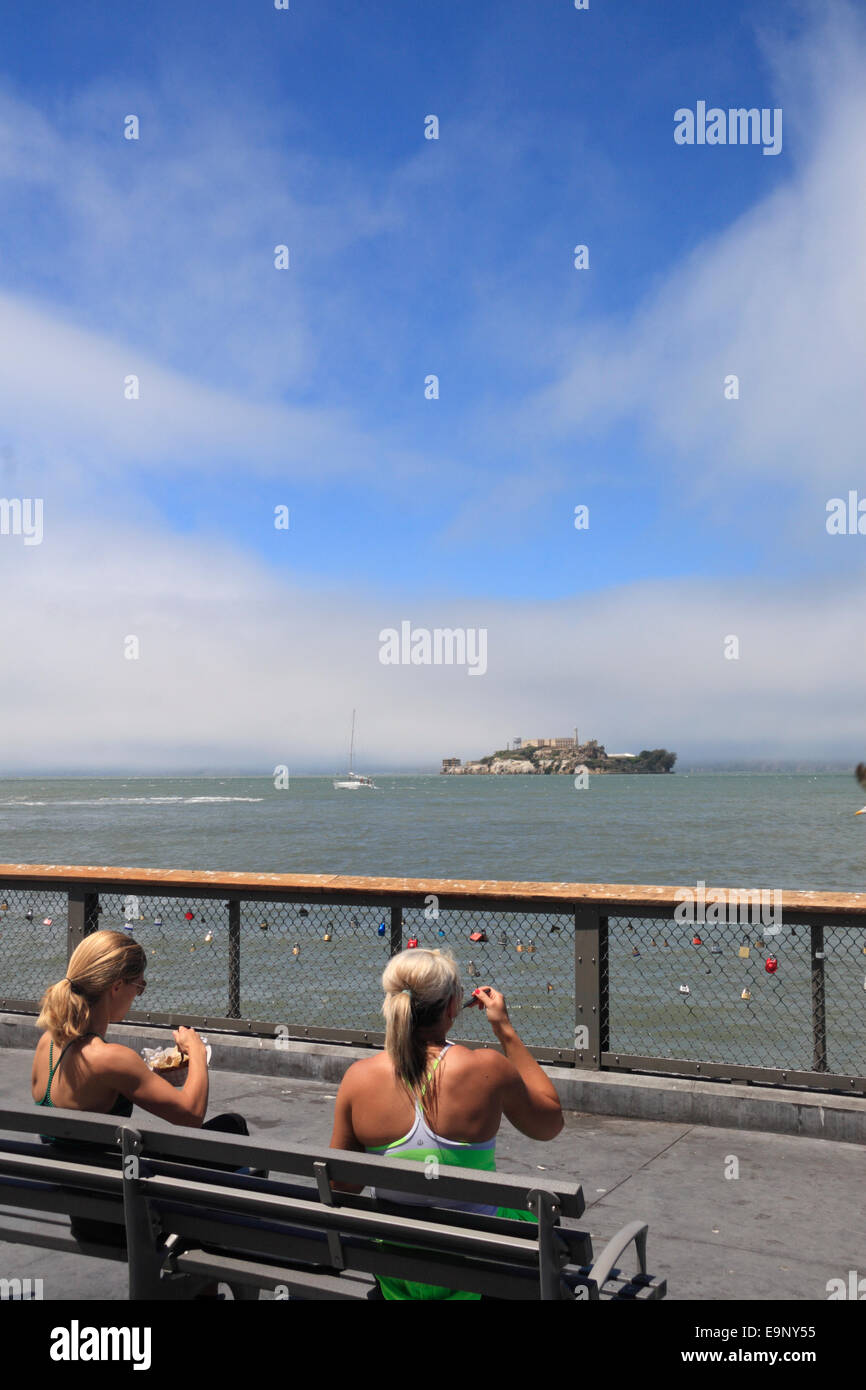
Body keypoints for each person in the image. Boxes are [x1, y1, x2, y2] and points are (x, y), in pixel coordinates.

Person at [329, 947, 563, 1300]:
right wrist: (504, 1029)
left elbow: (341, 1184)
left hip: (398, 1274)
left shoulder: (358, 1079)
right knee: (542, 1220)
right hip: (479, 1267)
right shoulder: (484, 1068)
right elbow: (549, 1123)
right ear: (453, 1008)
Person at [32, 930, 247, 1246]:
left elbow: (91, 1093)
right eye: (139, 986)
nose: (138, 995)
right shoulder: (111, 1059)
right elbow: (190, 1117)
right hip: (126, 1218)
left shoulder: (47, 1044)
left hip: (85, 1214)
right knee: (231, 1129)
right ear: (117, 986)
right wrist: (198, 1053)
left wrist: (143, 1078)